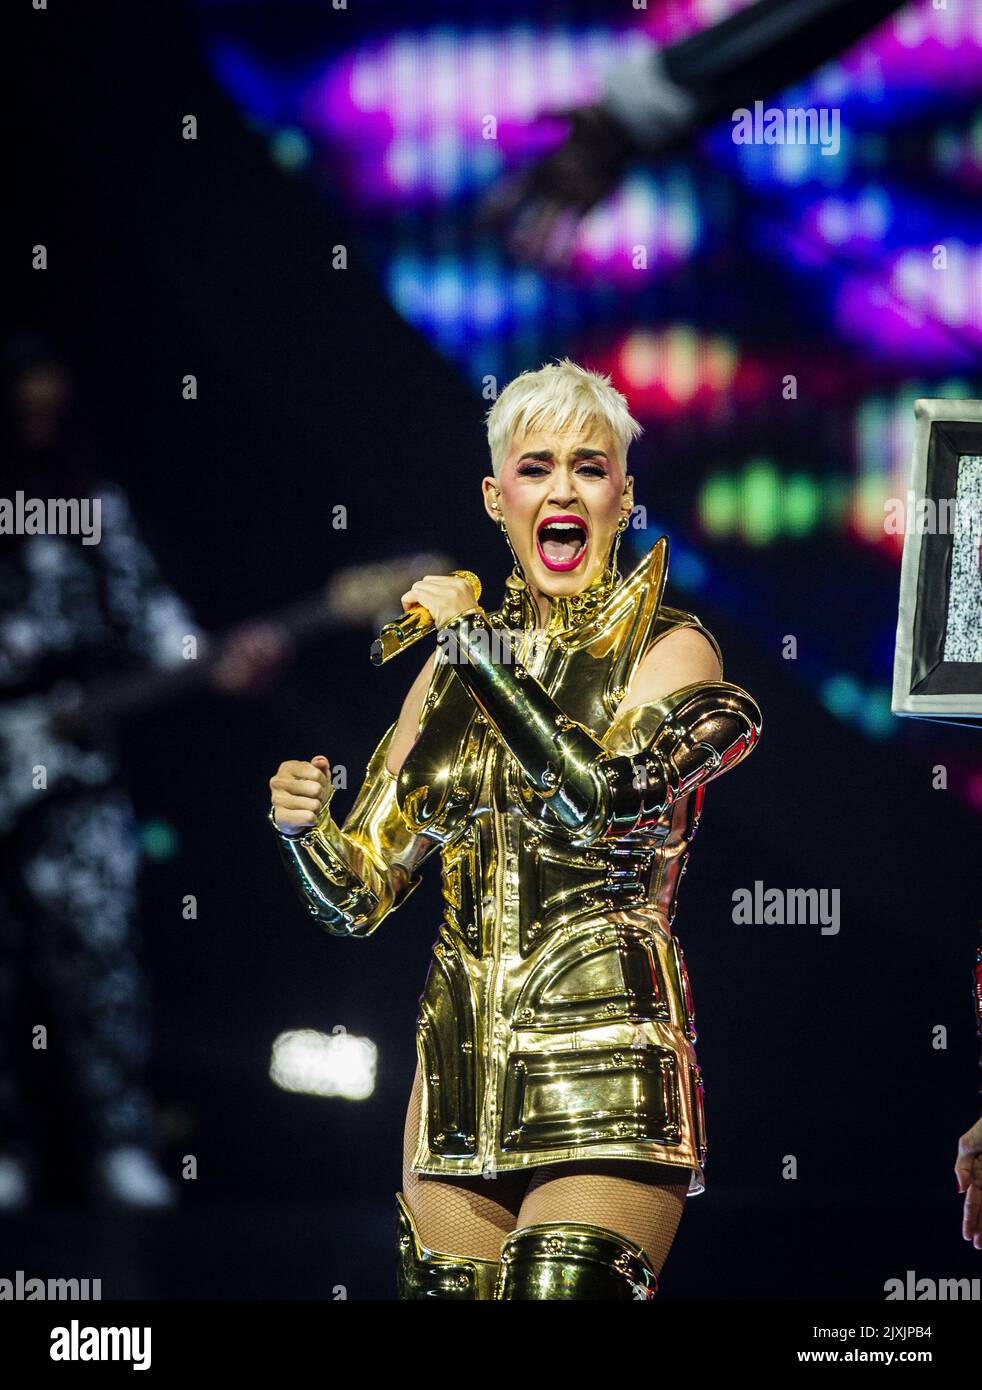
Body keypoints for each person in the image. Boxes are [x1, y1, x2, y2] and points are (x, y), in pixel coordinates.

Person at [268, 360, 762, 1298]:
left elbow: (607, 801)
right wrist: (306, 831)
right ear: (498, 499)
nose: (563, 489)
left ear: (624, 497)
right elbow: (358, 896)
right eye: (537, 469)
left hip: (603, 1062)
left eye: (589, 467)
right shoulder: (449, 667)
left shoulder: (673, 647)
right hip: (456, 1085)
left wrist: (483, 657)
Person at [0, 335, 282, 1210]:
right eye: (25, 401)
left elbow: (153, 619)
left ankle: (120, 1142)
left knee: (99, 953)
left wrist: (214, 659)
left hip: (76, 769)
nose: (42, 418)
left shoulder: (91, 504)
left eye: (55, 401)